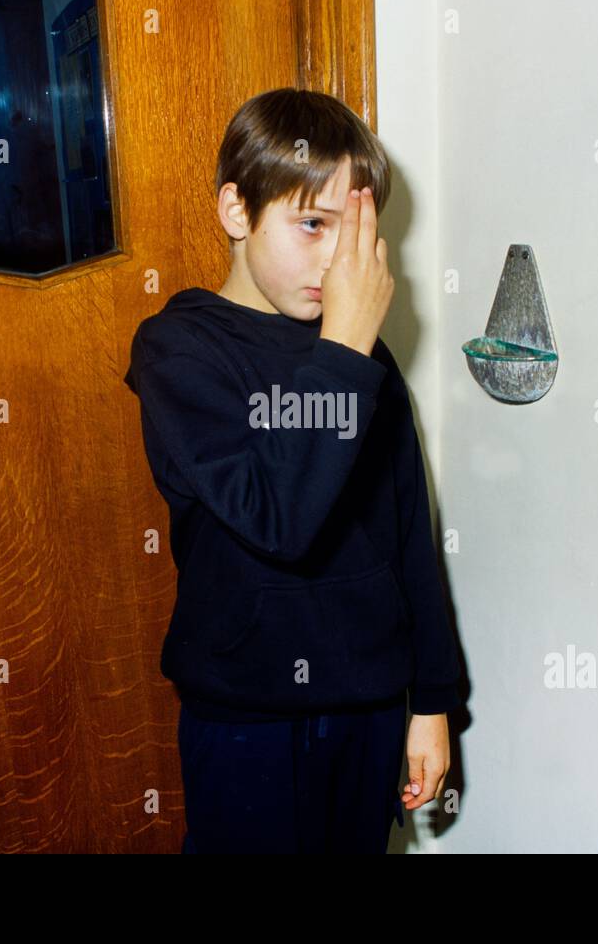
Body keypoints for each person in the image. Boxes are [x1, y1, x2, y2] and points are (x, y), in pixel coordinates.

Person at [123, 87, 462, 853]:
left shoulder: (362, 358)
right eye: (311, 225)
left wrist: (432, 701)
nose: (335, 262)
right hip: (248, 717)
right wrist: (345, 343)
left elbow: (410, 532)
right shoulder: (180, 351)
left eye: (352, 236)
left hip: (370, 705)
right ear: (237, 211)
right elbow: (278, 515)